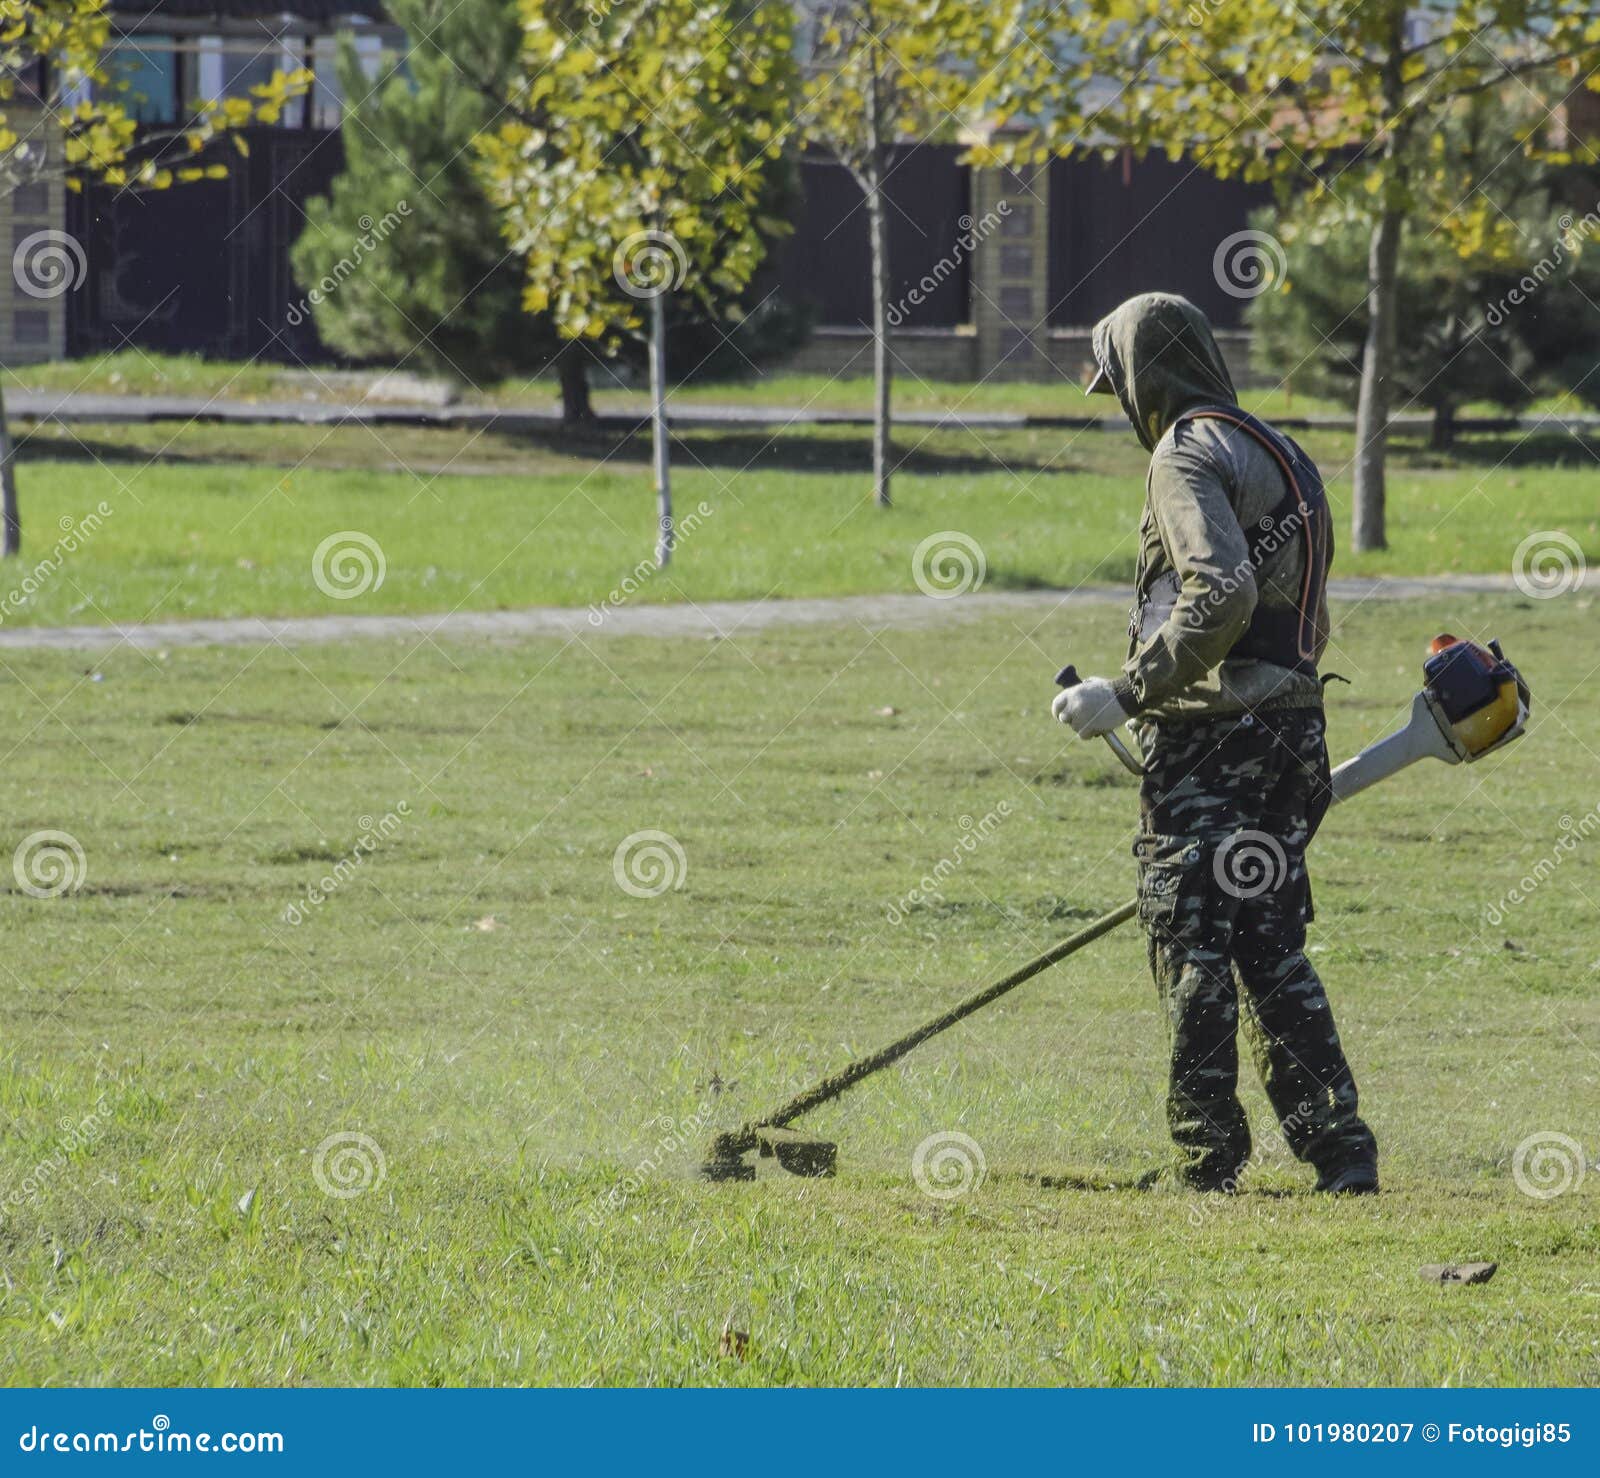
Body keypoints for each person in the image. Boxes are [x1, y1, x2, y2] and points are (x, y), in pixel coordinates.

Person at [1052, 292, 1378, 1195]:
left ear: (1142, 378)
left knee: (1189, 936)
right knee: (1269, 942)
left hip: (1211, 741)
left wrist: (1124, 692)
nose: (1120, 405)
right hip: (1292, 734)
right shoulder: (1283, 452)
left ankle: (1207, 1163)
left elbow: (1223, 592)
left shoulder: (1183, 453)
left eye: (1117, 384)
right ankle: (1341, 1152)